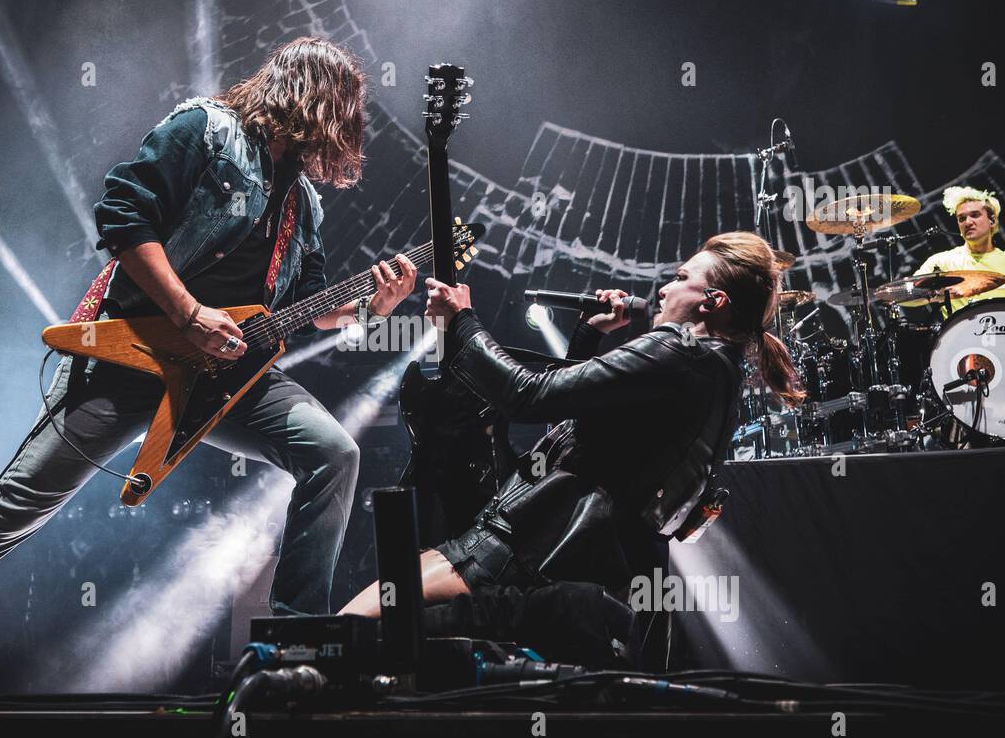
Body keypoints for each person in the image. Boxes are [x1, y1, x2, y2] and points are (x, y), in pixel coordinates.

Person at [0, 37, 419, 691]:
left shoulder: (306, 202)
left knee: (334, 451)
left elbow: (307, 303)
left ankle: (295, 649)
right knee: (16, 505)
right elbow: (123, 214)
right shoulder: (205, 130)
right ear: (312, 97)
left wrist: (371, 306)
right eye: (343, 109)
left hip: (228, 376)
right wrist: (191, 314)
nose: (348, 129)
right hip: (138, 354)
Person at [339, 232, 803, 667]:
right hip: (552, 558)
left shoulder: (679, 353)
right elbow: (586, 423)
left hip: (523, 552)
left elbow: (528, 395)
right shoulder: (717, 371)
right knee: (365, 626)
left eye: (682, 279)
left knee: (350, 633)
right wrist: (588, 337)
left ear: (713, 301)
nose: (663, 290)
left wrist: (462, 322)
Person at [914, 186, 1005, 312]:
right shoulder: (941, 262)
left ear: (992, 220)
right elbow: (909, 294)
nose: (968, 223)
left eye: (975, 215)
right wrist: (937, 293)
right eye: (961, 218)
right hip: (961, 331)